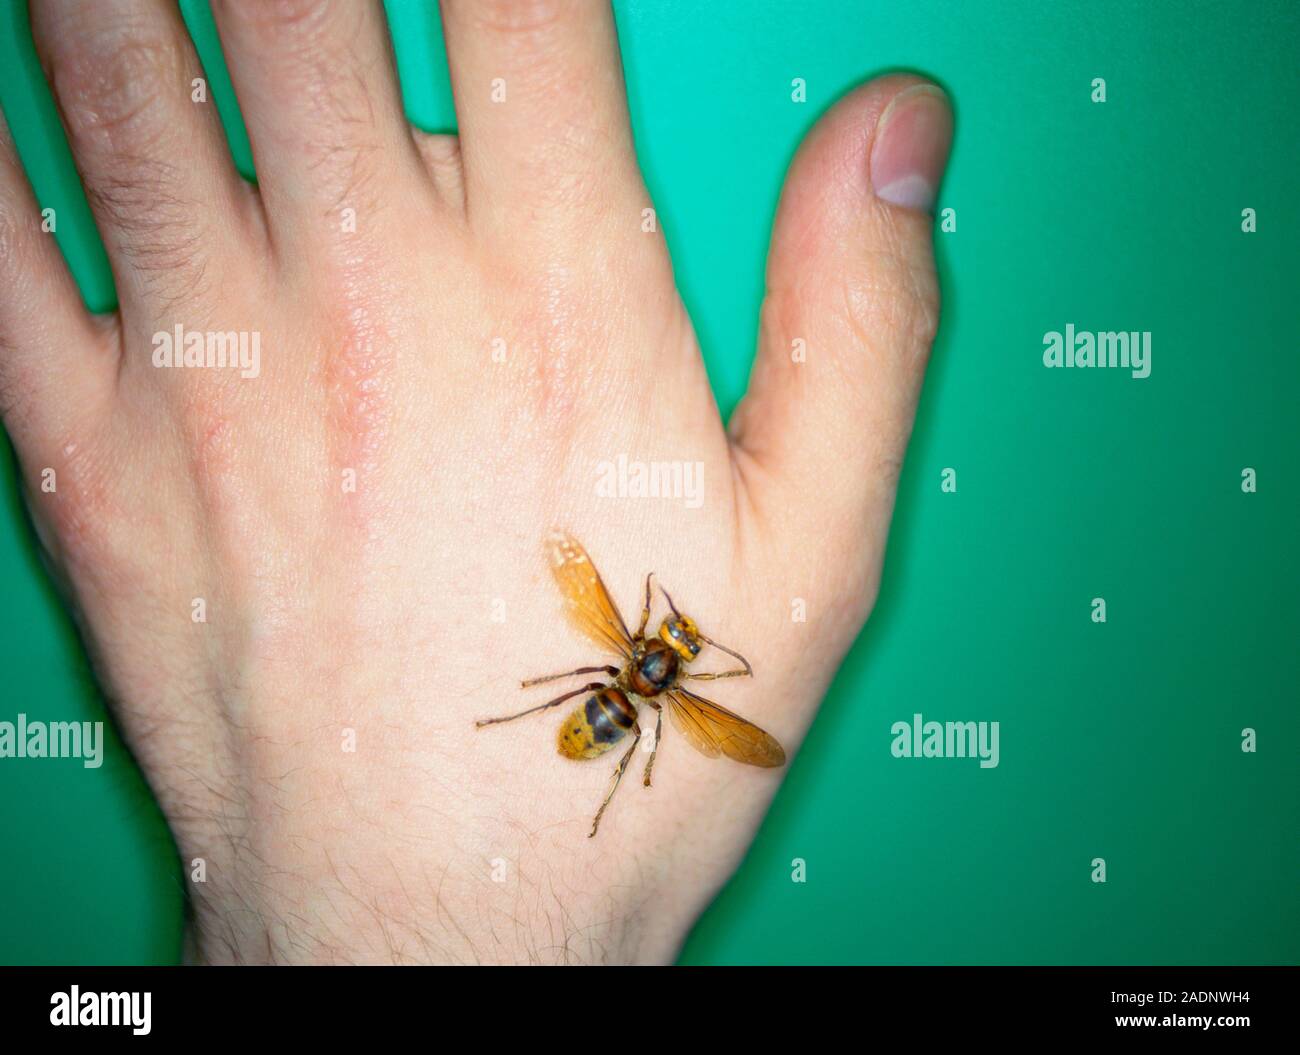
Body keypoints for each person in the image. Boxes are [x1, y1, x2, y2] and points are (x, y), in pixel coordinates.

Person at [0, 0, 952, 964]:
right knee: (607, 713)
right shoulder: (656, 675)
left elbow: (607, 613)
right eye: (668, 643)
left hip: (600, 720)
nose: (665, 643)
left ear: (655, 657)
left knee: (588, 700)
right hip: (605, 726)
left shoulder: (633, 655)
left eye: (666, 641)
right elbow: (625, 634)